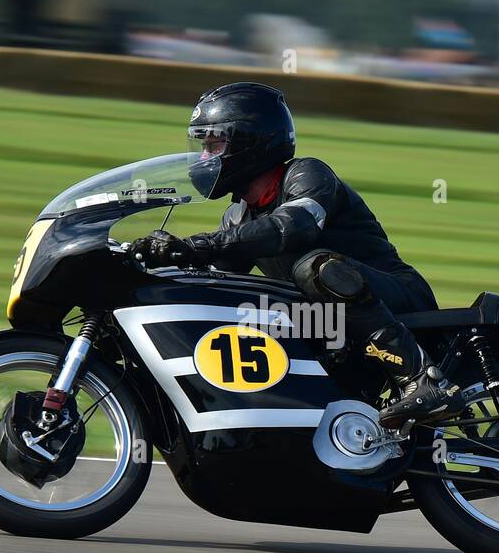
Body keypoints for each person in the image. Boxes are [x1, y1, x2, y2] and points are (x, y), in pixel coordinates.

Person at [127, 81, 458, 428]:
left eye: (214, 144)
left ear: (250, 142)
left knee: (314, 268)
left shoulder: (306, 174)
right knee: (248, 311)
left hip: (398, 298)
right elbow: (215, 275)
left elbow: (293, 226)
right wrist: (158, 259)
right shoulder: (238, 215)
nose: (205, 158)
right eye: (203, 146)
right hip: (330, 324)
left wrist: (198, 244)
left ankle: (425, 380)